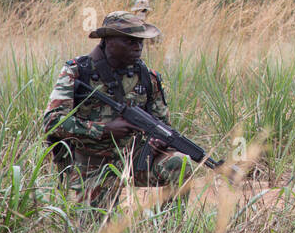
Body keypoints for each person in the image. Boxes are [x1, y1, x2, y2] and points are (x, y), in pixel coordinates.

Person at [43, 11, 191, 206]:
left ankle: (169, 230)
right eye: (129, 41)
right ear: (108, 41)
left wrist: (158, 140)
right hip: (90, 162)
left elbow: (163, 123)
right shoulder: (78, 72)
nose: (137, 46)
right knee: (95, 229)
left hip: (134, 159)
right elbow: (52, 123)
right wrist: (104, 129)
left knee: (180, 165)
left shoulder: (147, 77)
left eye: (140, 41)